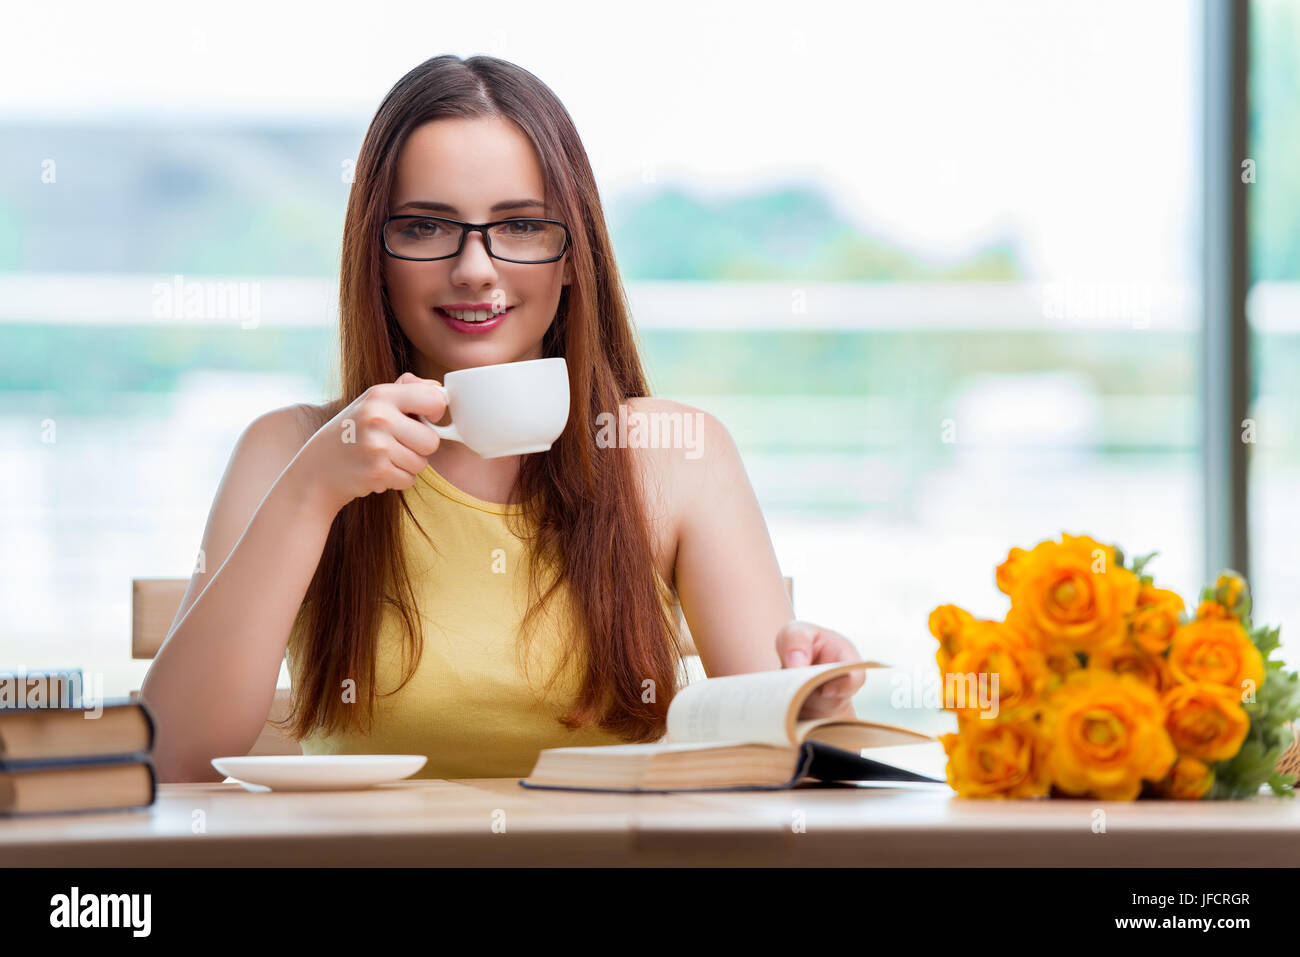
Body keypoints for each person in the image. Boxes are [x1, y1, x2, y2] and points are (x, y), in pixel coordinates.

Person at [140, 54, 864, 783]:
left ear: (574, 257)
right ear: (377, 259)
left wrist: (814, 701)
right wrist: (310, 493)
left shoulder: (675, 456)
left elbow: (784, 759)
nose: (475, 268)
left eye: (518, 225)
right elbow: (172, 760)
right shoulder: (290, 452)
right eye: (426, 227)